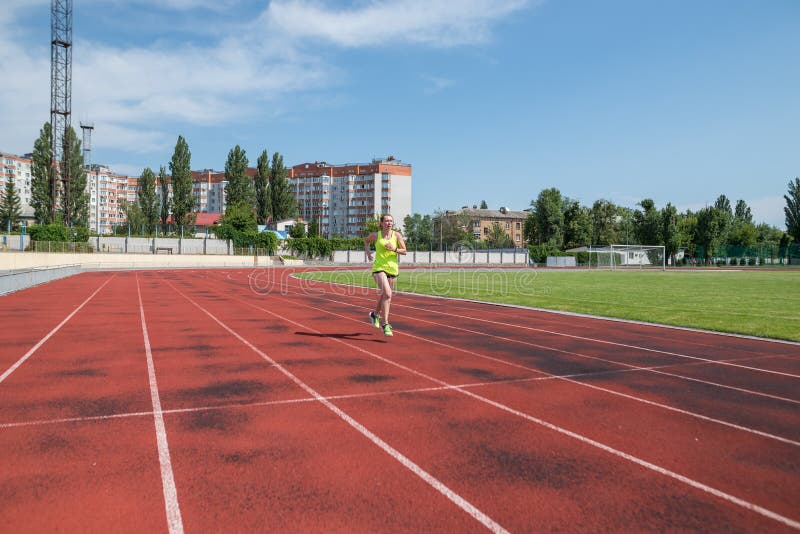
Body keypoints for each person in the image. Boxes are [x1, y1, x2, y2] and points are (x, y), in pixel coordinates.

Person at [364, 214, 407, 337]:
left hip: (393, 269)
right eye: (387, 221)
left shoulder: (397, 235)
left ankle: (374, 315)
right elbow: (366, 241)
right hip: (379, 268)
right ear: (381, 223)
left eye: (391, 221)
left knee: (384, 295)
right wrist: (368, 253)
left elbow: (404, 251)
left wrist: (394, 249)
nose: (389, 223)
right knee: (388, 294)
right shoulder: (376, 235)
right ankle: (385, 324)